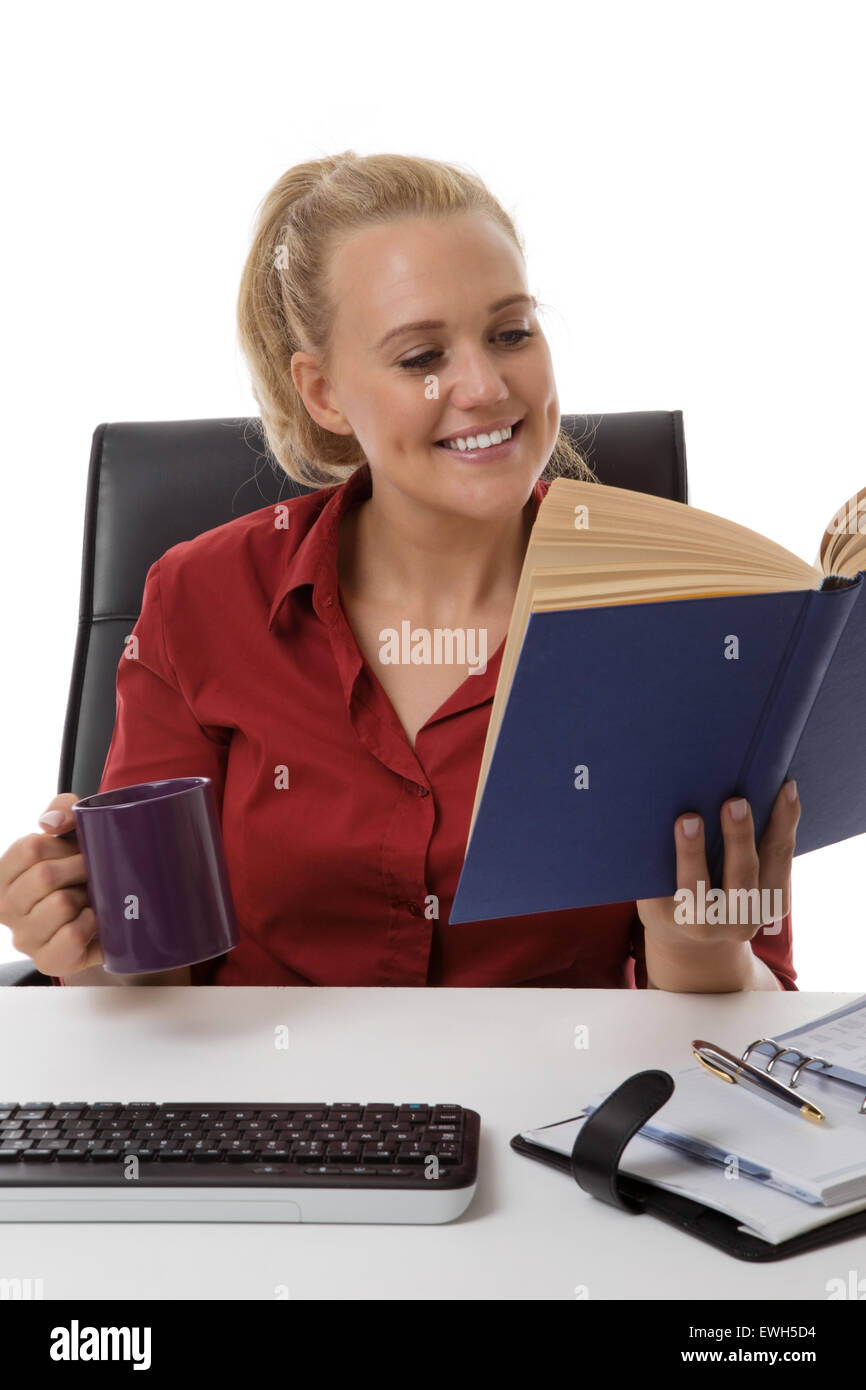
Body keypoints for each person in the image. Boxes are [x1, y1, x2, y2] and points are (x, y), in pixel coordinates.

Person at [0, 152, 798, 990]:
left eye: (511, 333)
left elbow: (758, 1019)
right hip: (273, 1111)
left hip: (555, 1113)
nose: (486, 386)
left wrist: (698, 946)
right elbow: (152, 981)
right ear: (323, 393)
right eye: (422, 357)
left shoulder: (682, 618)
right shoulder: (200, 598)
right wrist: (85, 943)